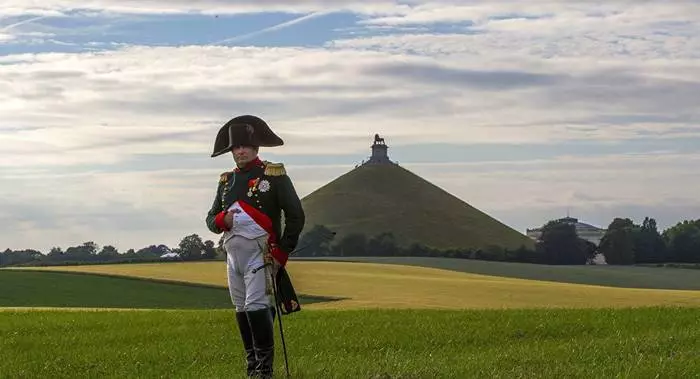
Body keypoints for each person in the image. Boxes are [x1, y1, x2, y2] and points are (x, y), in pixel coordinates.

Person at [205, 114, 305, 378]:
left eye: (245, 146)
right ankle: (253, 366)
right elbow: (210, 218)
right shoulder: (226, 181)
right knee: (241, 306)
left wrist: (283, 251)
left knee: (255, 304)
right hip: (233, 256)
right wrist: (220, 220)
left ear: (255, 147)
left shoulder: (273, 174)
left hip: (262, 253)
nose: (240, 151)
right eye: (236, 147)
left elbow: (295, 215)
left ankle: (264, 370)